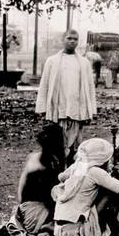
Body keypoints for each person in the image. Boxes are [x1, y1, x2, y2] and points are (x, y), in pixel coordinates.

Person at [53, 138, 119, 236]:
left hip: (61, 233)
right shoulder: (96, 172)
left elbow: (60, 177)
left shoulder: (77, 168)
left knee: (106, 190)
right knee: (114, 192)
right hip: (80, 233)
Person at [35, 28, 98, 159]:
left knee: (75, 145)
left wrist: (91, 110)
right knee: (57, 144)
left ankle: (71, 169)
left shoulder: (84, 63)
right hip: (58, 108)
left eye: (75, 39)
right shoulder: (52, 61)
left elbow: (90, 88)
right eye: (69, 38)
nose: (72, 42)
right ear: (63, 40)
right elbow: (44, 85)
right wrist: (42, 108)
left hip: (76, 108)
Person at [13, 123, 67, 236]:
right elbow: (52, 198)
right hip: (38, 215)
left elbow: (20, 192)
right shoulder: (49, 166)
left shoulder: (34, 157)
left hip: (25, 211)